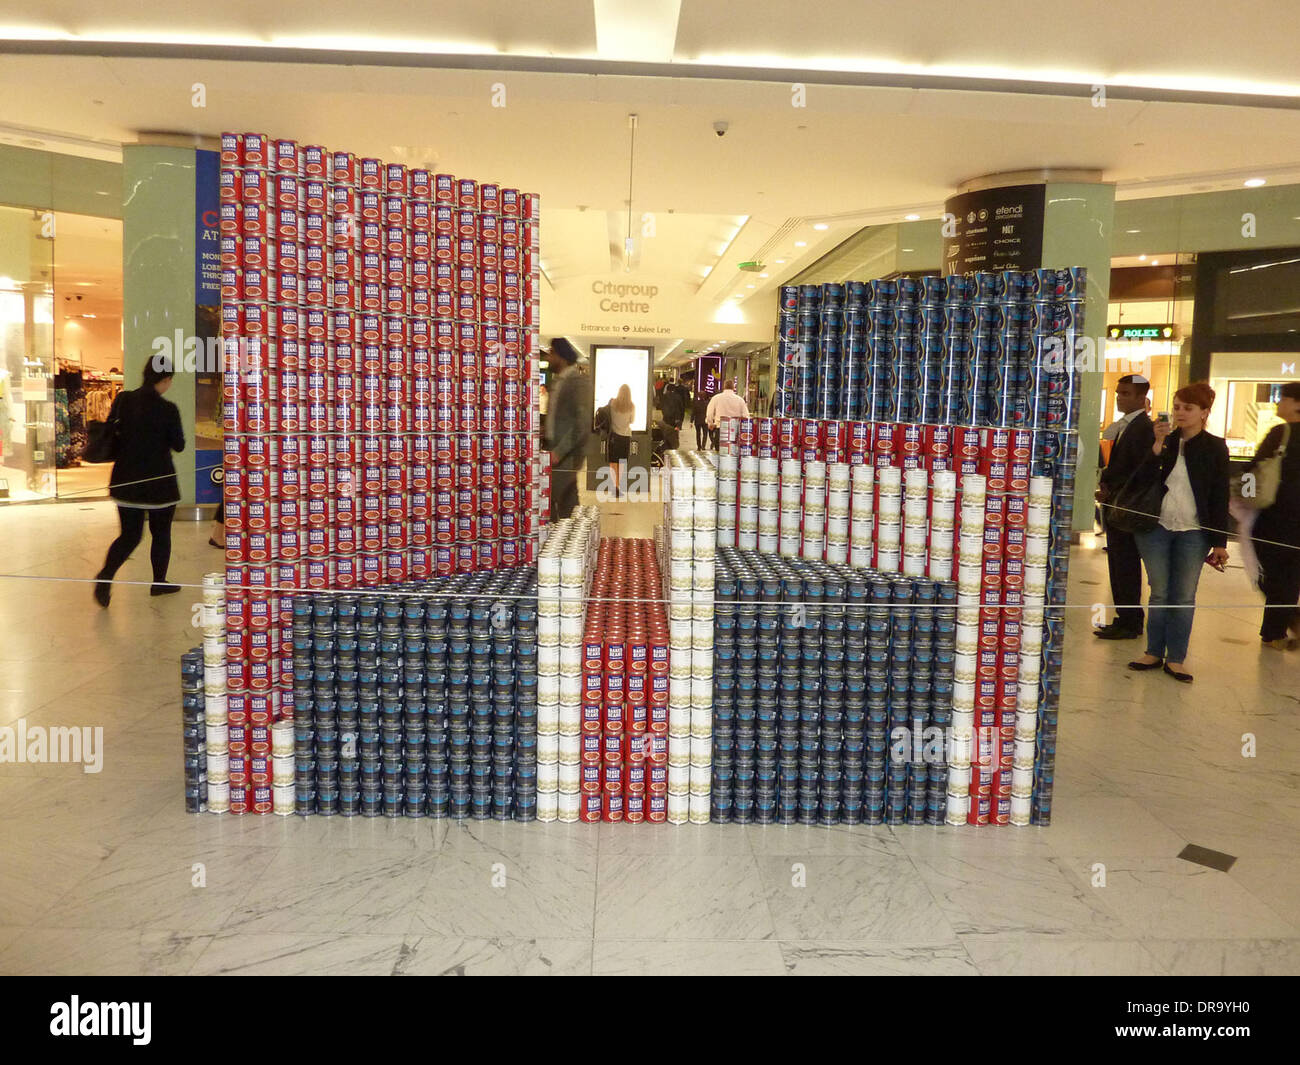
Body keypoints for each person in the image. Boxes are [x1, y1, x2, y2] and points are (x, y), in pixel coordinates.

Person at [1127, 382, 1230, 683]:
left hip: (1194, 530)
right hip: (1155, 526)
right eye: (1177, 407)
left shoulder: (1215, 447)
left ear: (1204, 413)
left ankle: (1177, 658)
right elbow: (1140, 480)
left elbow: (1219, 495)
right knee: (1159, 592)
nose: (1180, 413)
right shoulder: (1164, 441)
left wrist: (1220, 542)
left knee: (1183, 595)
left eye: (1188, 408)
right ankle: (1153, 651)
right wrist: (1157, 447)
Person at [93, 361, 186, 606]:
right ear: (164, 379)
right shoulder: (168, 409)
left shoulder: (123, 400)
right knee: (161, 533)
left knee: (129, 535)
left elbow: (112, 432)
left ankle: (105, 576)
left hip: (126, 480)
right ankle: (159, 582)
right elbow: (179, 445)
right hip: (159, 484)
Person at [1095, 374, 1155, 639]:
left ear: (1142, 398)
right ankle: (1125, 617)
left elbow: (1137, 469)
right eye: (1119, 393)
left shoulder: (1143, 427)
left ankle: (1130, 621)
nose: (1120, 397)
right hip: (1118, 504)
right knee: (1119, 563)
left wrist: (1109, 484)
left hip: (1127, 507)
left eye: (1126, 394)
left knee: (1126, 564)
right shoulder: (1127, 425)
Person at [1249, 381, 1300, 649]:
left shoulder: (1281, 433)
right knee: (1290, 574)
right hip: (1293, 520)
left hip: (1274, 517)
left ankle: (1285, 621)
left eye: (1284, 398)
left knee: (1268, 572)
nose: (1278, 403)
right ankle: (1274, 631)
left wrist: (1243, 495)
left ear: (1296, 404)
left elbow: (1253, 468)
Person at [544, 338, 592, 522]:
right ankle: (571, 535)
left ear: (561, 356)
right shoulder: (559, 381)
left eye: (551, 353)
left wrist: (559, 451)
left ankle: (558, 538)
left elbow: (582, 423)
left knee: (553, 498)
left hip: (567, 454)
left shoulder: (578, 382)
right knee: (566, 500)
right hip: (554, 451)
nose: (548, 357)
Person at [607, 384, 635, 498]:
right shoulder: (631, 406)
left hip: (614, 437)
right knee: (622, 463)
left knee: (613, 463)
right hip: (625, 437)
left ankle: (614, 486)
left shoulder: (613, 404)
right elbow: (632, 420)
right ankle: (620, 487)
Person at [706, 379, 750, 447]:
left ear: (724, 387)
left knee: (720, 453)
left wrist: (710, 424)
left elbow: (709, 413)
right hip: (735, 430)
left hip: (720, 429)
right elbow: (746, 416)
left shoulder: (716, 398)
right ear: (733, 388)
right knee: (734, 452)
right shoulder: (740, 400)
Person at [659, 377, 686, 451]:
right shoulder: (678, 397)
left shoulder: (664, 397)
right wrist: (680, 421)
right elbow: (681, 409)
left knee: (666, 432)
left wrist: (664, 414)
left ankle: (667, 445)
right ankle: (674, 446)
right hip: (675, 419)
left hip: (667, 419)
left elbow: (661, 406)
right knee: (674, 433)